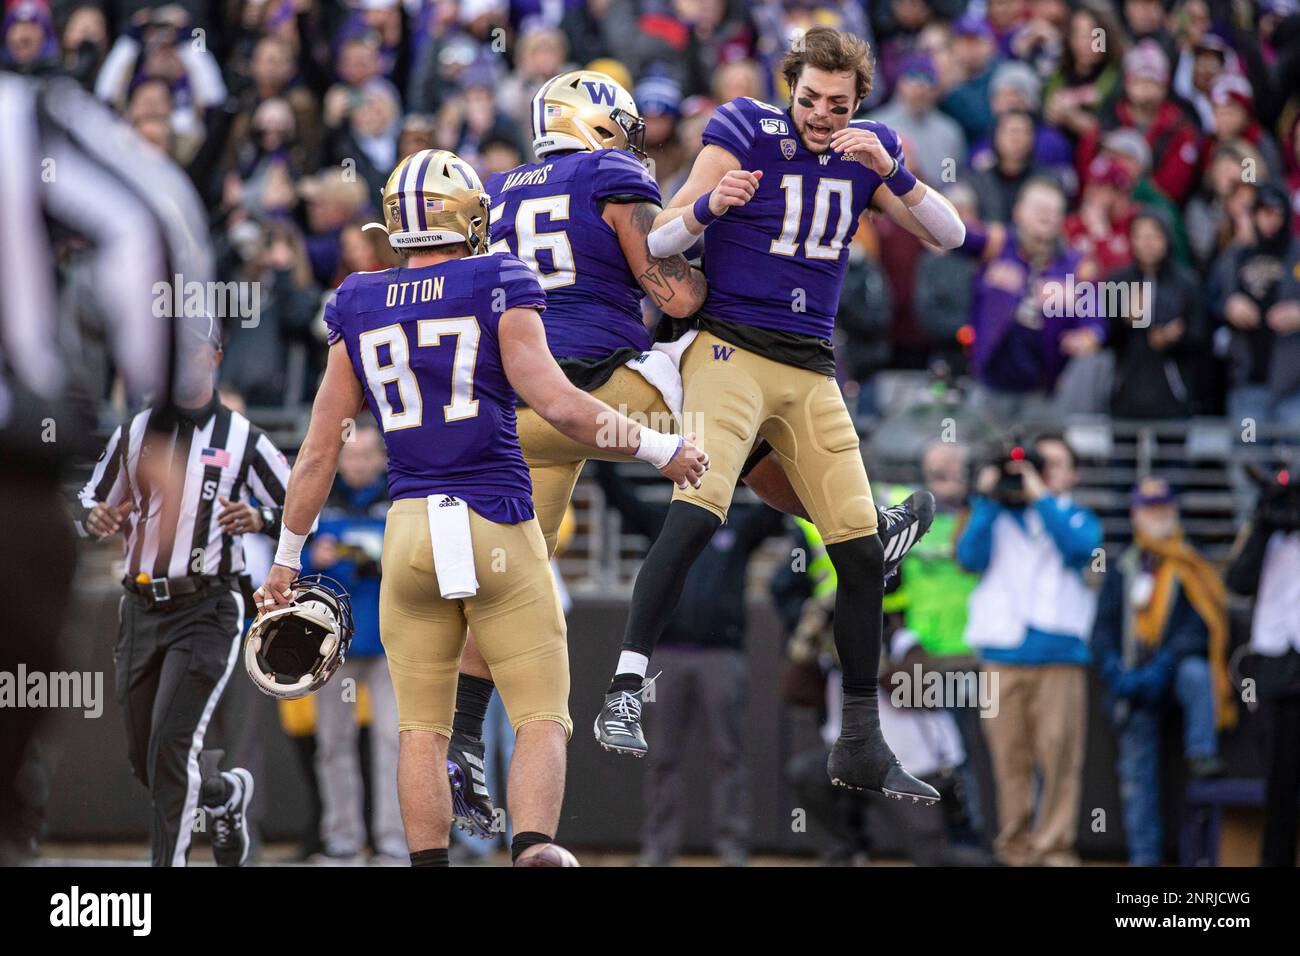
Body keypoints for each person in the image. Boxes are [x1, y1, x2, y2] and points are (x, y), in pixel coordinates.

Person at [446, 69, 936, 833]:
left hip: (517, 413)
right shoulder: (609, 172)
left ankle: (462, 738)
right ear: (597, 124)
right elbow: (673, 291)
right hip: (601, 396)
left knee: (511, 584)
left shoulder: (499, 187)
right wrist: (710, 276)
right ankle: (862, 522)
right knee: (732, 417)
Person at [254, 147, 708, 867]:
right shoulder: (497, 278)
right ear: (469, 217)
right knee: (539, 716)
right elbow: (562, 406)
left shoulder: (358, 299)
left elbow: (317, 453)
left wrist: (284, 561)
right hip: (494, 515)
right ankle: (532, 848)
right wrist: (660, 449)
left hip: (406, 533)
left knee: (421, 731)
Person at [597, 26, 966, 802]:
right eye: (809, 99)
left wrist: (892, 171)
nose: (822, 116)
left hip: (809, 363)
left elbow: (951, 236)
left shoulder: (871, 147)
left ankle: (860, 743)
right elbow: (657, 241)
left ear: (859, 100)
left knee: (862, 555)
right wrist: (705, 210)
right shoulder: (743, 128)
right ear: (789, 86)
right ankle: (625, 688)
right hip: (727, 347)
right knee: (700, 509)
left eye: (838, 104)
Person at [76, 321, 290, 867]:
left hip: (208, 605)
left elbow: (299, 507)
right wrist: (93, 517)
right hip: (140, 606)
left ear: (216, 357)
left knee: (172, 748)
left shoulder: (244, 438)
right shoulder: (136, 430)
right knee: (144, 757)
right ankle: (224, 794)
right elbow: (92, 502)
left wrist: (262, 516)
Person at [594, 462, 785, 866]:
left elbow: (775, 513)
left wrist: (769, 458)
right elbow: (618, 498)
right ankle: (658, 849)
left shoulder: (738, 524)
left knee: (728, 755)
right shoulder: (661, 520)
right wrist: (598, 450)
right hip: (667, 657)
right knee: (662, 756)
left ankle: (733, 848)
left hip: (722, 657)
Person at [957, 432, 1102, 866]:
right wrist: (985, 497)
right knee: (1008, 759)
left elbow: (1081, 552)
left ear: (1073, 473)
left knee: (1060, 757)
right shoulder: (993, 515)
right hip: (1001, 656)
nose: (1042, 472)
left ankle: (1055, 847)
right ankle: (1015, 848)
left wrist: (1041, 496)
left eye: (1053, 465)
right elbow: (968, 557)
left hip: (1060, 657)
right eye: (1040, 465)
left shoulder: (1078, 517)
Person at [1092, 478, 1231, 866]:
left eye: (1162, 507)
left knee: (1195, 673)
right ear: (1136, 514)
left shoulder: (1189, 561)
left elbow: (1201, 625)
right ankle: (1144, 859)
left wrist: (1165, 663)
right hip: (1134, 681)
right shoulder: (1123, 565)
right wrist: (1114, 668)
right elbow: (1103, 627)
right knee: (1136, 778)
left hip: (1173, 674)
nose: (1157, 515)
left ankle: (1202, 752)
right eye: (1148, 508)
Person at [305, 422, 407, 863]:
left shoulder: (402, 497)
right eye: (351, 456)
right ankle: (343, 841)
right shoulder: (319, 498)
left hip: (390, 645)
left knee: (395, 746)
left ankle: (395, 844)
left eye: (366, 455)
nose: (358, 464)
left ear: (381, 458)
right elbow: (292, 565)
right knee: (333, 745)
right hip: (333, 648)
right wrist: (314, 557)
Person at [1226, 466, 1300, 866]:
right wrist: (1263, 522)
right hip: (1275, 669)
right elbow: (1237, 582)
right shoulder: (1263, 535)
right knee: (1280, 786)